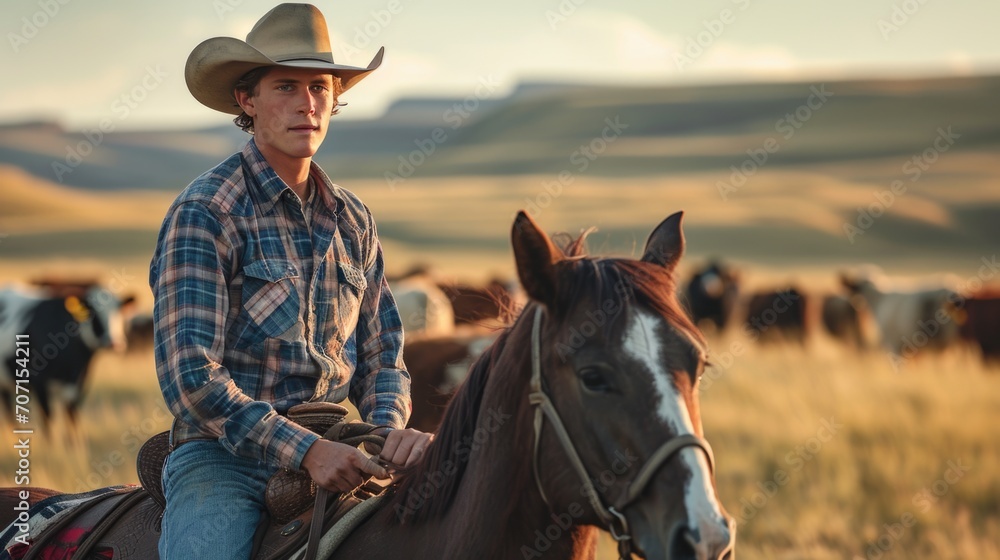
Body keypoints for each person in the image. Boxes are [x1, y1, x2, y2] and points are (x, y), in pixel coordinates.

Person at [149, 4, 432, 558]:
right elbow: (190, 376)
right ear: (246, 100)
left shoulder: (354, 220)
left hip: (344, 445)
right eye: (286, 86)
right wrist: (303, 451)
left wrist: (389, 430)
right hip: (225, 460)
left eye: (320, 87)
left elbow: (384, 355)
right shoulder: (208, 211)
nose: (307, 104)